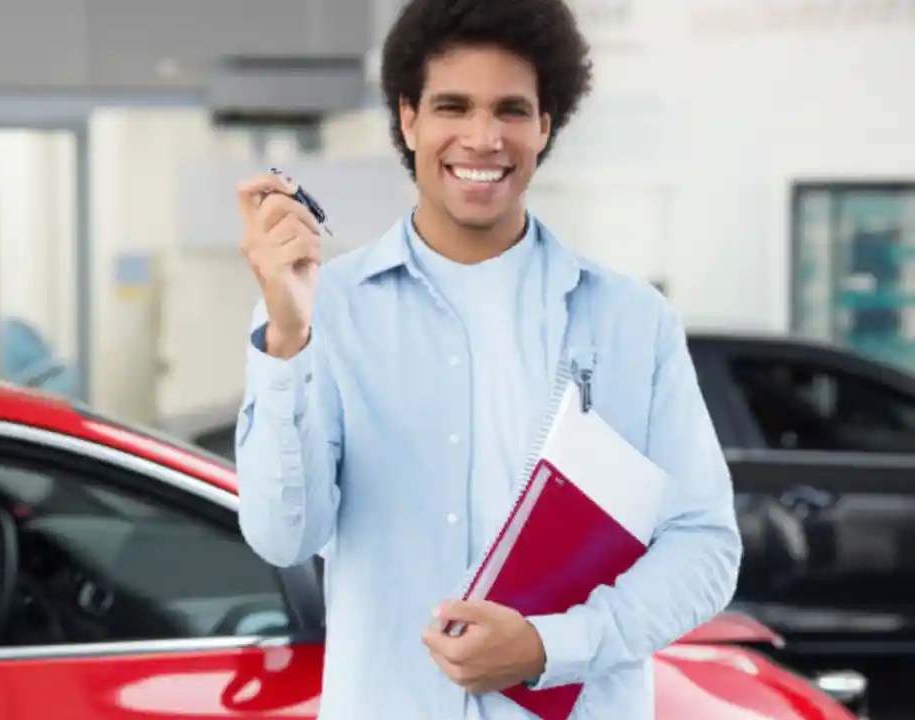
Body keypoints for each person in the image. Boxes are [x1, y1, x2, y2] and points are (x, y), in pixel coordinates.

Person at [233, 1, 742, 718]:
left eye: (510, 109)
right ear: (408, 118)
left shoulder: (632, 322)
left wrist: (551, 645)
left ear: (545, 124)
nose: (482, 138)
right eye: (453, 106)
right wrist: (287, 339)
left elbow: (704, 548)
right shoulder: (321, 309)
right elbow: (284, 537)